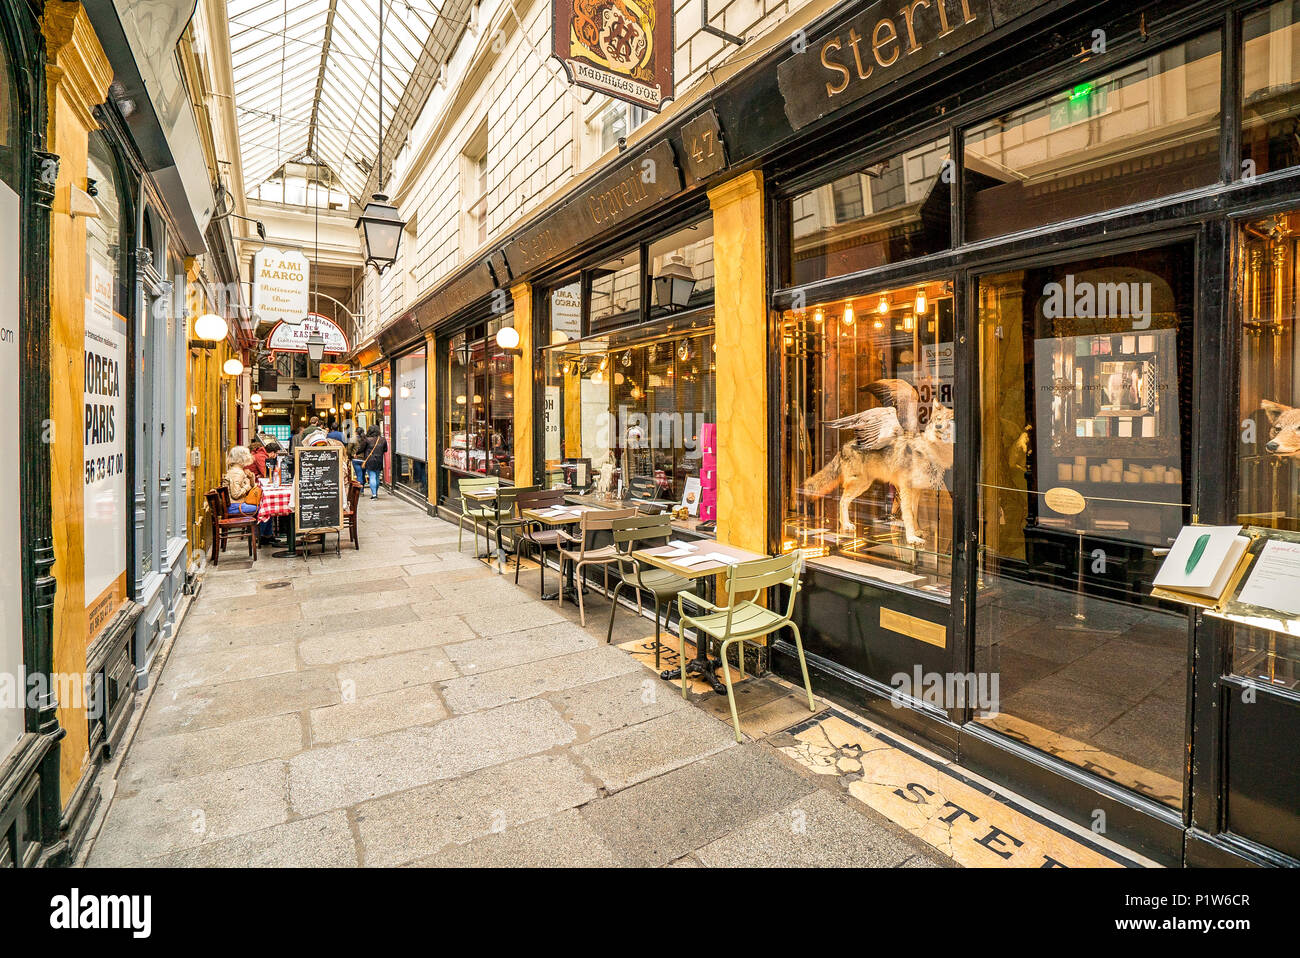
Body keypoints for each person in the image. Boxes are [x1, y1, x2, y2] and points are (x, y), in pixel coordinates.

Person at [360, 424, 387, 500]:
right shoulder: (382, 439)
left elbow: (361, 449)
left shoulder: (367, 439)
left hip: (370, 460)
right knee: (377, 477)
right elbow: (385, 450)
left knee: (372, 476)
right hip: (379, 460)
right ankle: (376, 493)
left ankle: (374, 495)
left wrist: (356, 453)